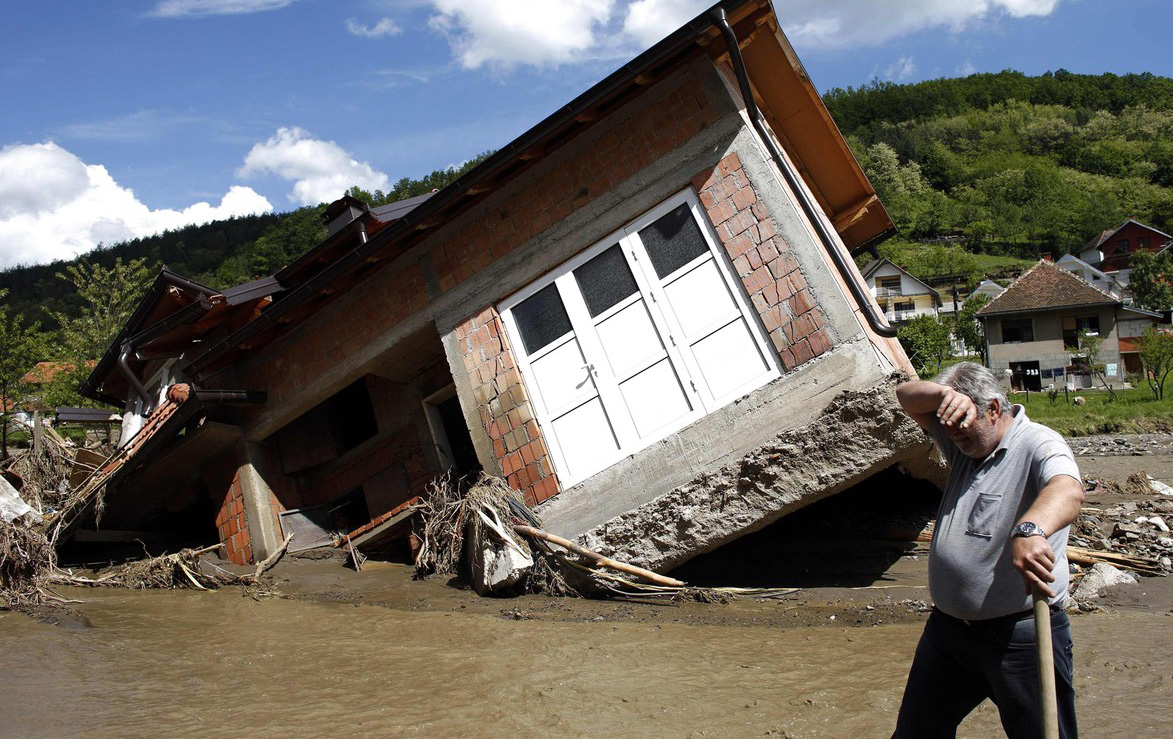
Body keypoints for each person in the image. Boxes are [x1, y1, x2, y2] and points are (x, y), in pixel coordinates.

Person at [892, 362, 1084, 738]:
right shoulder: (964, 442)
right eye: (947, 426)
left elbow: (1067, 489)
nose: (952, 436)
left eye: (962, 425)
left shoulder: (1039, 443)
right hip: (949, 634)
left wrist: (1031, 528)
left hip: (1020, 635)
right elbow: (905, 397)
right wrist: (944, 397)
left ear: (994, 409)